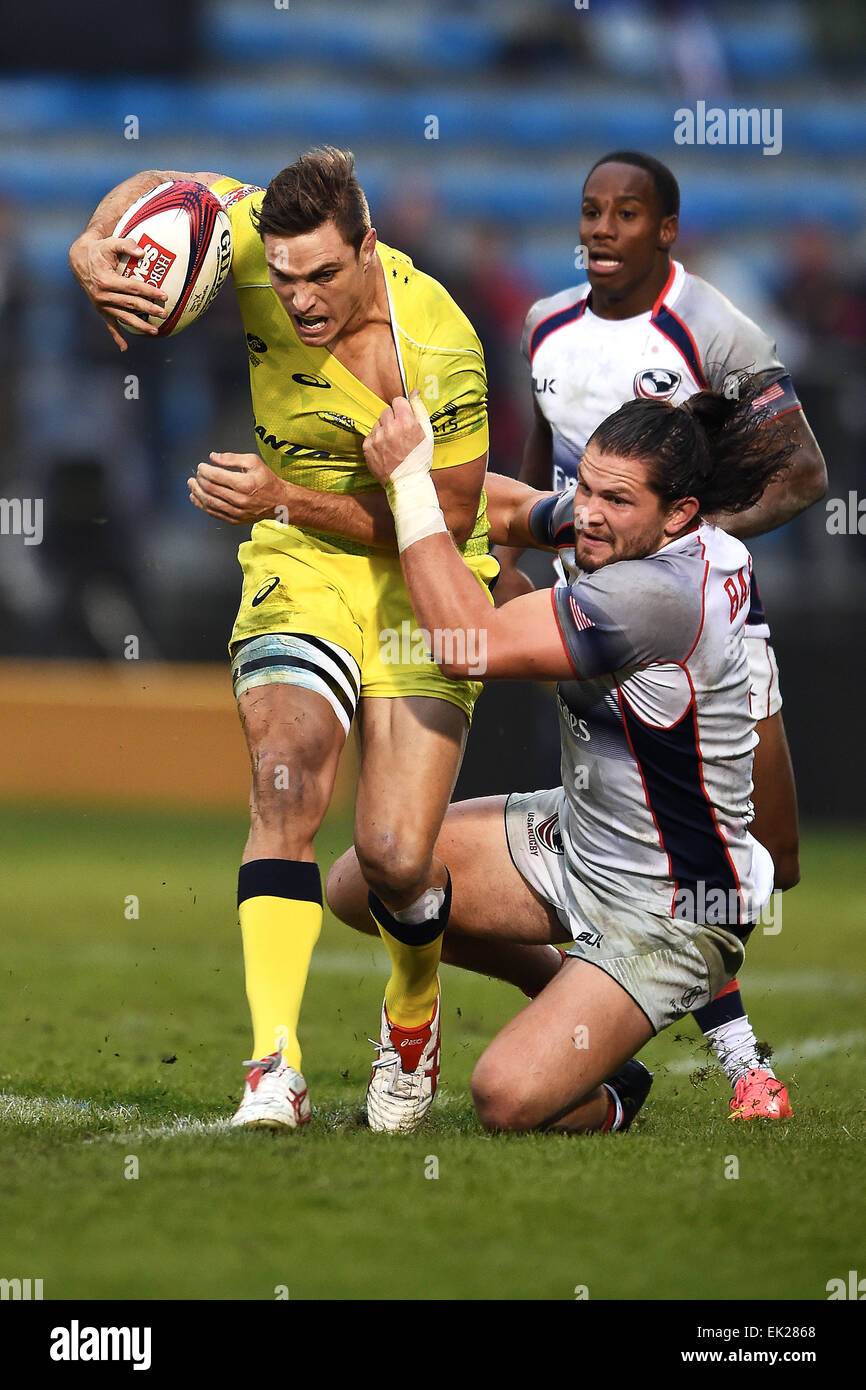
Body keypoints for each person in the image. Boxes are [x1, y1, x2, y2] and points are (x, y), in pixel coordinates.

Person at [69, 148, 498, 1133]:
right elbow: (159, 181)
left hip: (419, 567)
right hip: (297, 558)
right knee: (285, 775)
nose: (297, 300)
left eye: (322, 277)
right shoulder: (256, 230)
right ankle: (274, 1066)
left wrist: (283, 493)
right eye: (284, 277)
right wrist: (91, 245)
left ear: (368, 247)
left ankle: (412, 1013)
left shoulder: (439, 345)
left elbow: (451, 515)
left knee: (393, 853)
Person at [327, 378, 796, 1133]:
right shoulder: (678, 540)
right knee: (372, 878)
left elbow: (463, 647)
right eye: (585, 488)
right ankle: (572, 1010)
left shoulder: (657, 595)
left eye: (616, 501)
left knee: (505, 1101)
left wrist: (411, 484)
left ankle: (613, 1095)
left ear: (678, 514)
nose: (588, 515)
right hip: (582, 840)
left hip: (668, 906)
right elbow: (512, 508)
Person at [492, 151, 827, 1119]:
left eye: (624, 213)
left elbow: (800, 470)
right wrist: (516, 550)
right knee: (655, 846)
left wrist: (685, 554)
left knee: (772, 857)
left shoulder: (712, 325)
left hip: (700, 626)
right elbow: (539, 448)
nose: (600, 228)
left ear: (664, 229)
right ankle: (733, 1058)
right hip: (593, 626)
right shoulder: (542, 324)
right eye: (589, 211)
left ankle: (639, 1011)